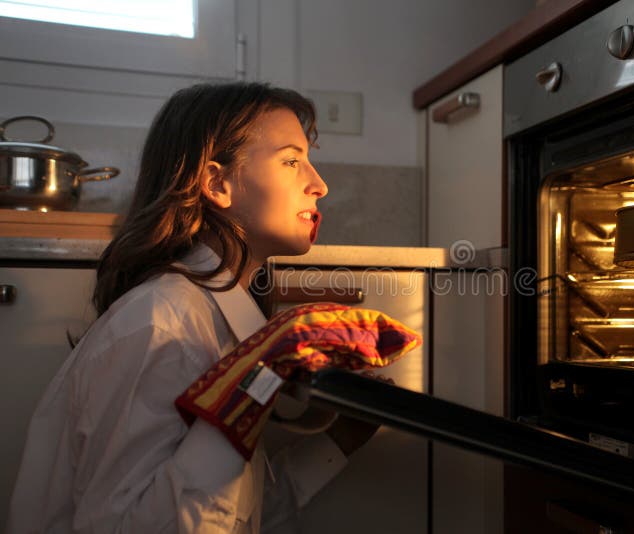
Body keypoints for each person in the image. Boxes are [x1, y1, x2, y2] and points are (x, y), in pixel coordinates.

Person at [7, 82, 379, 533]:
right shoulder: (161, 326)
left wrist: (339, 442)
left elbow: (228, 516)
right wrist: (250, 390)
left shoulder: (213, 319)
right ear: (217, 184)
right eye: (291, 161)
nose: (319, 185)